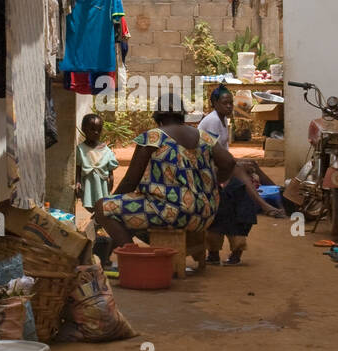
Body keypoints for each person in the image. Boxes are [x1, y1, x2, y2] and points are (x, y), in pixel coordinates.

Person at [92, 93, 236, 254]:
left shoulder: (154, 137)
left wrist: (108, 203)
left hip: (172, 212)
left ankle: (135, 258)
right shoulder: (203, 136)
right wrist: (213, 184)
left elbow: (130, 182)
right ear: (182, 113)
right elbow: (229, 162)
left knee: (103, 208)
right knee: (133, 206)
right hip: (205, 214)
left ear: (157, 114)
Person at [208, 159, 285, 265]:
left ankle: (225, 256)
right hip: (228, 199)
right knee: (217, 229)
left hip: (236, 202)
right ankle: (216, 255)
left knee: (232, 230)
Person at [74, 112, 119, 209]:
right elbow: (78, 167)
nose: (96, 132)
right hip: (88, 184)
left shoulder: (106, 150)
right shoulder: (80, 149)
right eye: (92, 129)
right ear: (84, 129)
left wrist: (111, 181)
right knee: (91, 206)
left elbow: (110, 170)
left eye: (99, 130)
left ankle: (98, 221)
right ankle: (96, 220)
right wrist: (77, 182)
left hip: (102, 184)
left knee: (102, 206)